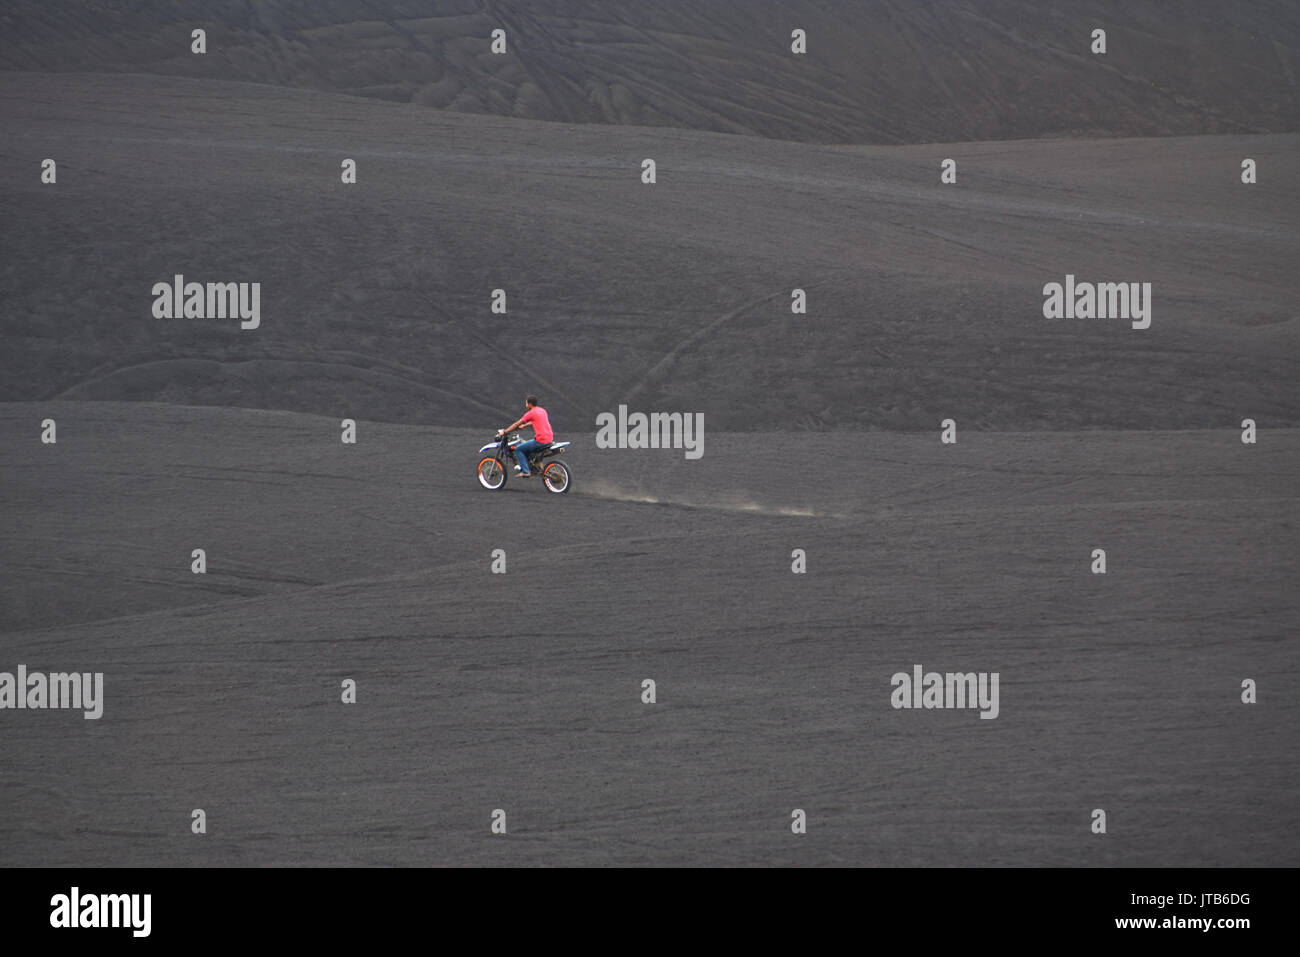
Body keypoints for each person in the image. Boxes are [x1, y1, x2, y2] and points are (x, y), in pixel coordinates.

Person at [497, 395, 553, 478]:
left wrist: (504, 432)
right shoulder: (542, 410)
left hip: (540, 440)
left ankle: (526, 471)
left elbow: (516, 424)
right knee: (527, 446)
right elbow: (536, 421)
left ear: (530, 404)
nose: (525, 405)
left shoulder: (530, 413)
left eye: (526, 403)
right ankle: (534, 466)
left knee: (519, 449)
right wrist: (524, 426)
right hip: (549, 438)